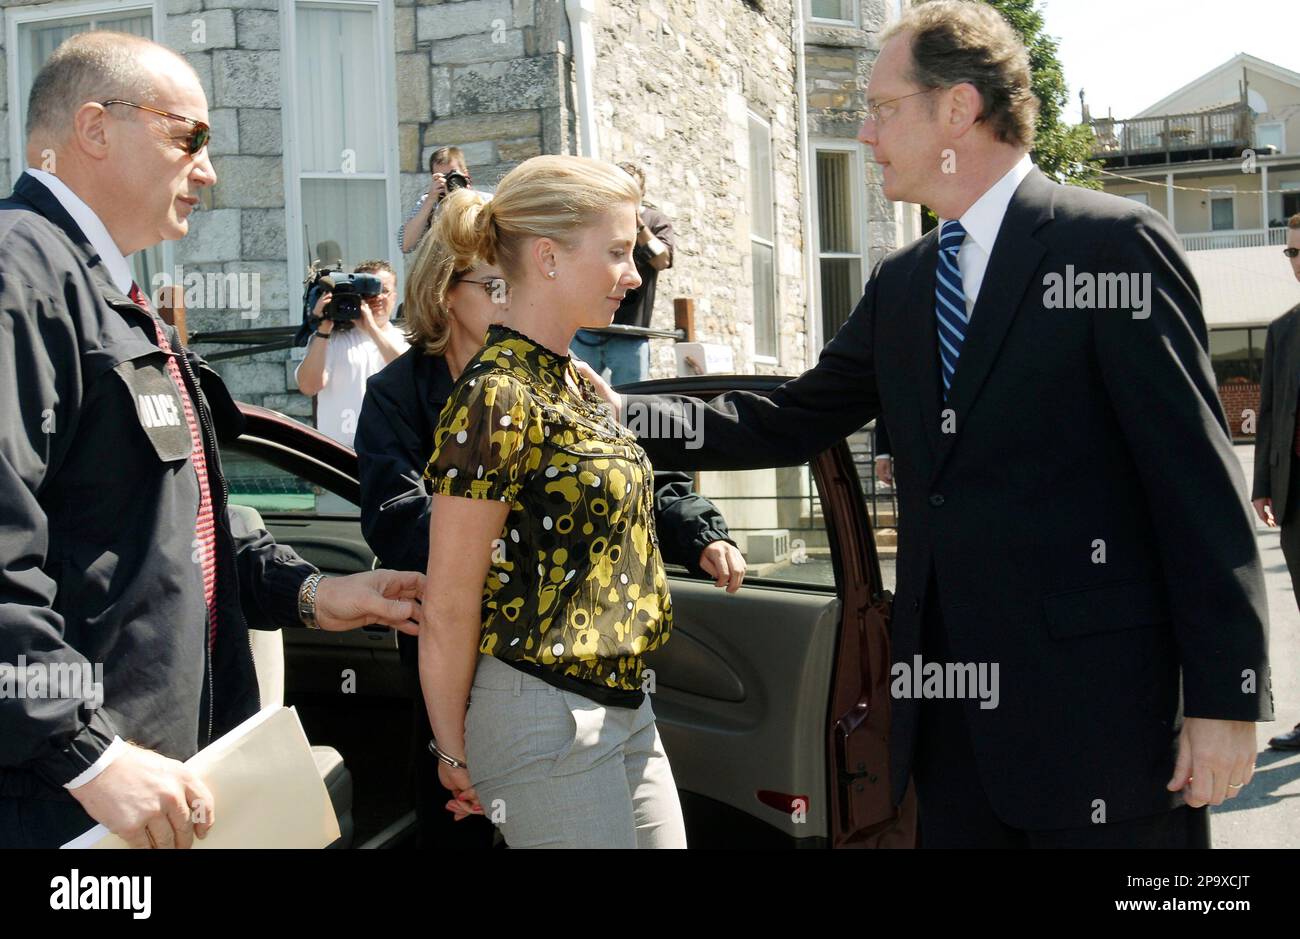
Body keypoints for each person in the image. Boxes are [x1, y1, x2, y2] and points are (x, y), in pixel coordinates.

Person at [582, 0, 1272, 848]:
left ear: (957, 108)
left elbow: (1196, 485)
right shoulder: (904, 281)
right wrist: (626, 414)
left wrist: (1225, 697)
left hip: (1102, 733)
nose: (867, 135)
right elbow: (793, 417)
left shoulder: (1111, 246)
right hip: (950, 742)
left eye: (881, 109)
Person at [0, 32, 425, 849]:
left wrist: (310, 593)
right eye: (187, 135)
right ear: (95, 128)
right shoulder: (21, 274)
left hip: (161, 779)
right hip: (67, 808)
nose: (208, 169)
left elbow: (176, 516)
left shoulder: (111, 294)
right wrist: (85, 753)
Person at [355, 192, 744, 847]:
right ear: (448, 293)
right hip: (481, 663)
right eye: (492, 285)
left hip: (601, 681)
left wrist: (698, 529)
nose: (509, 297)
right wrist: (519, 529)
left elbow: (630, 481)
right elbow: (404, 526)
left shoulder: (568, 379)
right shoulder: (415, 395)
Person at [417, 156, 693, 848]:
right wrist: (454, 754)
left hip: (629, 706)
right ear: (547, 257)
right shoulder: (496, 395)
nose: (633, 276)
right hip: (545, 711)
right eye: (617, 253)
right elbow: (450, 598)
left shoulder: (574, 382)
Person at [1251, 212, 1300, 751]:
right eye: (1290, 253)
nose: (1295, 262)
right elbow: (1267, 414)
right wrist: (1263, 483)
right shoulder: (1284, 330)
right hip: (1297, 497)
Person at [570, 161, 674, 386]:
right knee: (575, 394)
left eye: (631, 189)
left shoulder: (654, 221)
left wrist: (638, 226)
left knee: (632, 404)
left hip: (631, 334)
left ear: (642, 192)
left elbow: (662, 260)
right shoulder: (597, 218)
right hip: (588, 330)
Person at [294, 259, 409, 450]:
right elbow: (309, 386)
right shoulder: (331, 338)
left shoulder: (405, 339)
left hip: (391, 452)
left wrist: (371, 328)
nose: (377, 297)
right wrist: (322, 328)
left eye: (384, 290)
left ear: (395, 296)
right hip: (339, 455)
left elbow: (407, 377)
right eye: (370, 292)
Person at [399, 146, 473, 254]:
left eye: (452, 174)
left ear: (465, 174)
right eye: (443, 177)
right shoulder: (428, 203)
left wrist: (459, 198)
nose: (448, 180)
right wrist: (430, 200)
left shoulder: (481, 200)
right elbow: (406, 245)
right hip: (439, 268)